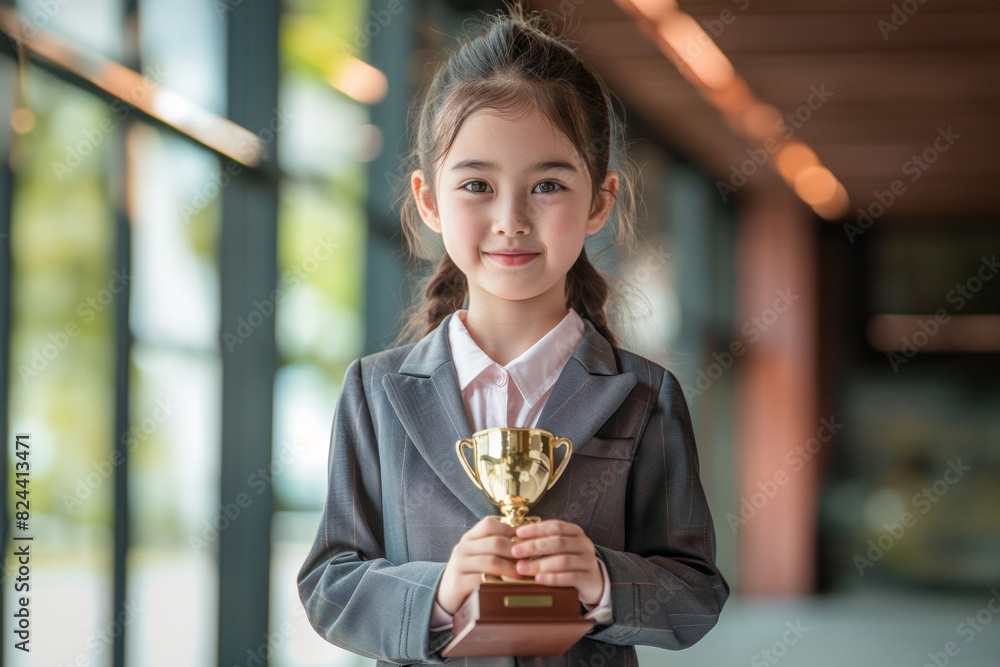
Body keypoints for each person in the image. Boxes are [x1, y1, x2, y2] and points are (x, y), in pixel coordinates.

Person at [297, 5, 729, 666]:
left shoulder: (646, 395)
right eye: (476, 184)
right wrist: (440, 588)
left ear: (599, 202)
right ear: (429, 200)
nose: (511, 219)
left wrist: (603, 578)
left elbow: (696, 594)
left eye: (548, 184)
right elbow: (330, 586)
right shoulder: (376, 390)